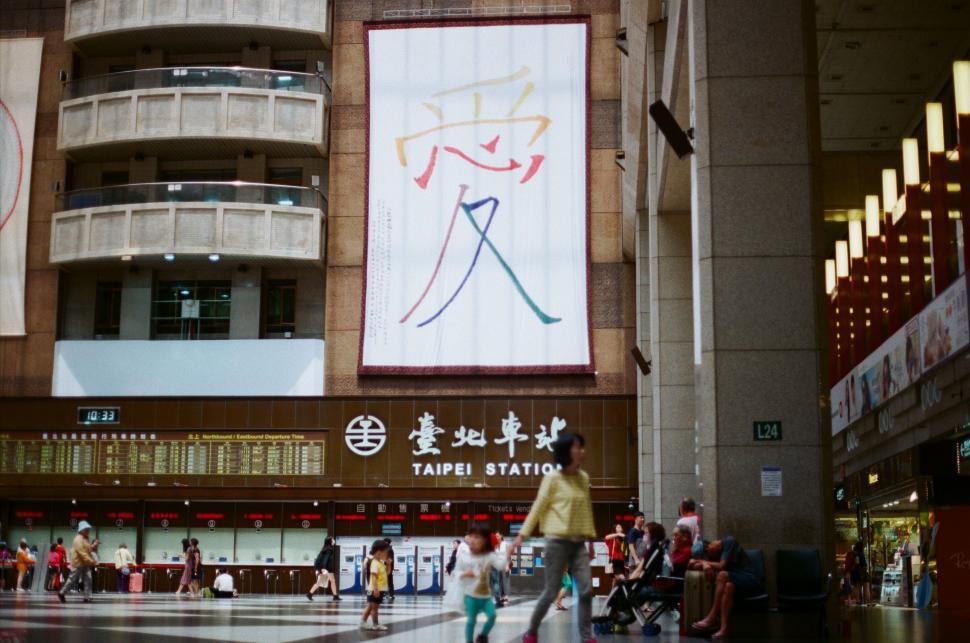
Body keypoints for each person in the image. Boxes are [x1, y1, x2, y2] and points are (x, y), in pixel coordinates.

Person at [512, 432, 596, 643]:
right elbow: (538, 507)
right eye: (578, 447)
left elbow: (586, 509)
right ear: (566, 451)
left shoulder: (583, 478)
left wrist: (591, 539)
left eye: (582, 446)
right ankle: (531, 631)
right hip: (556, 542)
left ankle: (587, 637)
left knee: (586, 590)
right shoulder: (552, 479)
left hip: (579, 543)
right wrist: (522, 535)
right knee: (551, 591)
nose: (582, 451)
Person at [689, 536, 764, 639]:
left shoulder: (729, 542)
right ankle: (723, 629)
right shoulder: (714, 554)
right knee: (728, 587)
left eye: (706, 555)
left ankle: (712, 616)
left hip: (750, 579)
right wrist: (699, 563)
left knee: (722, 575)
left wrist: (703, 563)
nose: (708, 558)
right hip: (736, 582)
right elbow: (692, 564)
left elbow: (721, 566)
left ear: (708, 547)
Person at [455, 526, 507, 643]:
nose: (473, 540)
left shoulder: (489, 555)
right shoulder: (464, 555)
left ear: (484, 541)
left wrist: (507, 554)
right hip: (471, 596)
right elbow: (456, 573)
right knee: (471, 621)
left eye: (477, 537)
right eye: (472, 536)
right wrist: (464, 574)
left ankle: (482, 636)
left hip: (485, 597)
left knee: (492, 616)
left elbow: (499, 565)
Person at [58, 520, 99, 604]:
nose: (88, 531)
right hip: (77, 563)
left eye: (88, 529)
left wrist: (92, 547)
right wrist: (92, 561)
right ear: (81, 530)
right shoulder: (78, 539)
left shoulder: (85, 539)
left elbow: (87, 550)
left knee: (88, 579)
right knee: (72, 579)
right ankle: (62, 593)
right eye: (86, 529)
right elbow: (82, 552)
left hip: (85, 563)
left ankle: (87, 597)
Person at [359, 539, 390, 632]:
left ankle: (363, 622)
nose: (387, 555)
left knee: (370, 607)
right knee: (374, 609)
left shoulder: (380, 562)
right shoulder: (375, 563)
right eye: (386, 553)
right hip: (375, 589)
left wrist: (389, 565)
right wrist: (376, 589)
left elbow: (387, 573)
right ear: (379, 552)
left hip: (378, 589)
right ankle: (375, 625)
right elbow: (374, 577)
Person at [307, 537, 340, 601]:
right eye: (333, 540)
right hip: (326, 568)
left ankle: (310, 594)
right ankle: (335, 596)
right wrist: (323, 568)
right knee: (331, 581)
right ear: (330, 541)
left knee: (323, 581)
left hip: (325, 568)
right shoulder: (329, 549)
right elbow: (325, 559)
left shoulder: (325, 548)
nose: (334, 540)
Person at [490, 532, 510, 607]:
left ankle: (505, 597)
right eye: (496, 536)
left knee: (505, 581)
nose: (497, 537)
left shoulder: (505, 544)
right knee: (498, 581)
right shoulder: (495, 544)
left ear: (501, 536)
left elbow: (508, 555)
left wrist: (507, 565)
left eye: (498, 536)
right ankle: (501, 597)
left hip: (504, 564)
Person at [850, 540, 870, 605]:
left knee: (858, 587)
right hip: (861, 572)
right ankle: (866, 601)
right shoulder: (860, 553)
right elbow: (858, 563)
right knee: (865, 586)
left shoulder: (856, 553)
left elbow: (856, 563)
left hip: (857, 572)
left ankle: (858, 600)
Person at [383, 538, 396, 603]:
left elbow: (390, 559)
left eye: (384, 542)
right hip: (388, 567)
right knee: (388, 581)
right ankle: (389, 594)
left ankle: (390, 594)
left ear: (387, 542)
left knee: (389, 581)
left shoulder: (389, 550)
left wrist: (385, 563)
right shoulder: (388, 549)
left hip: (388, 568)